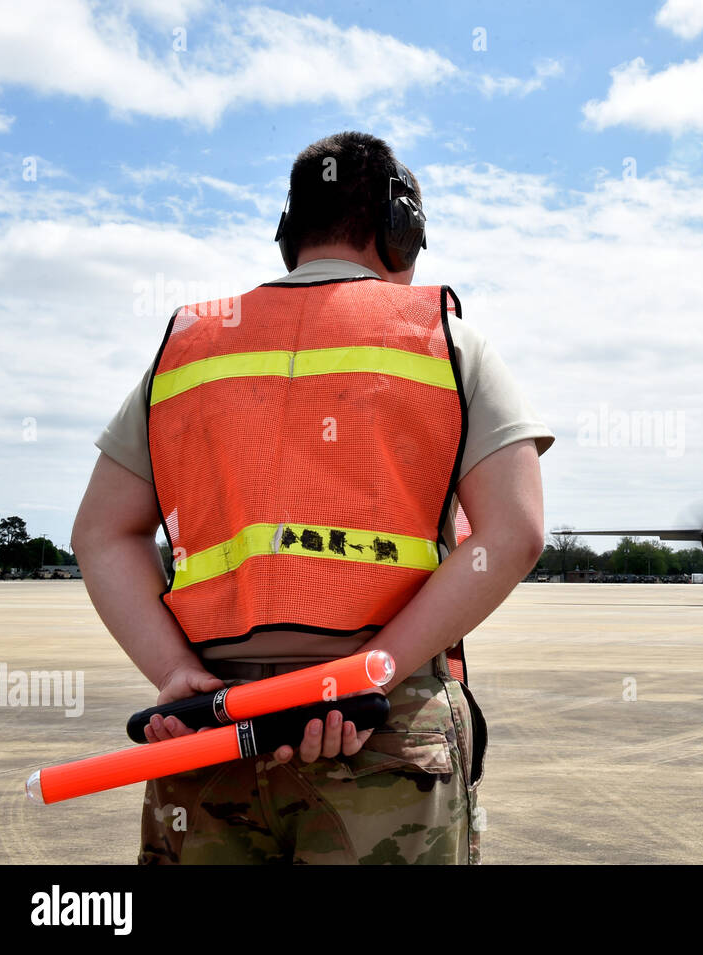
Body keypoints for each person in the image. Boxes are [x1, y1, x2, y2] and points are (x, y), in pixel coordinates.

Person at [71, 131, 552, 864]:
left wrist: (173, 671)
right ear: (403, 230)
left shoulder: (188, 345)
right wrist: (373, 669)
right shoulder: (444, 339)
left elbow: (102, 533)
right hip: (378, 730)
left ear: (289, 233)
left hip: (210, 727)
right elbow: (513, 532)